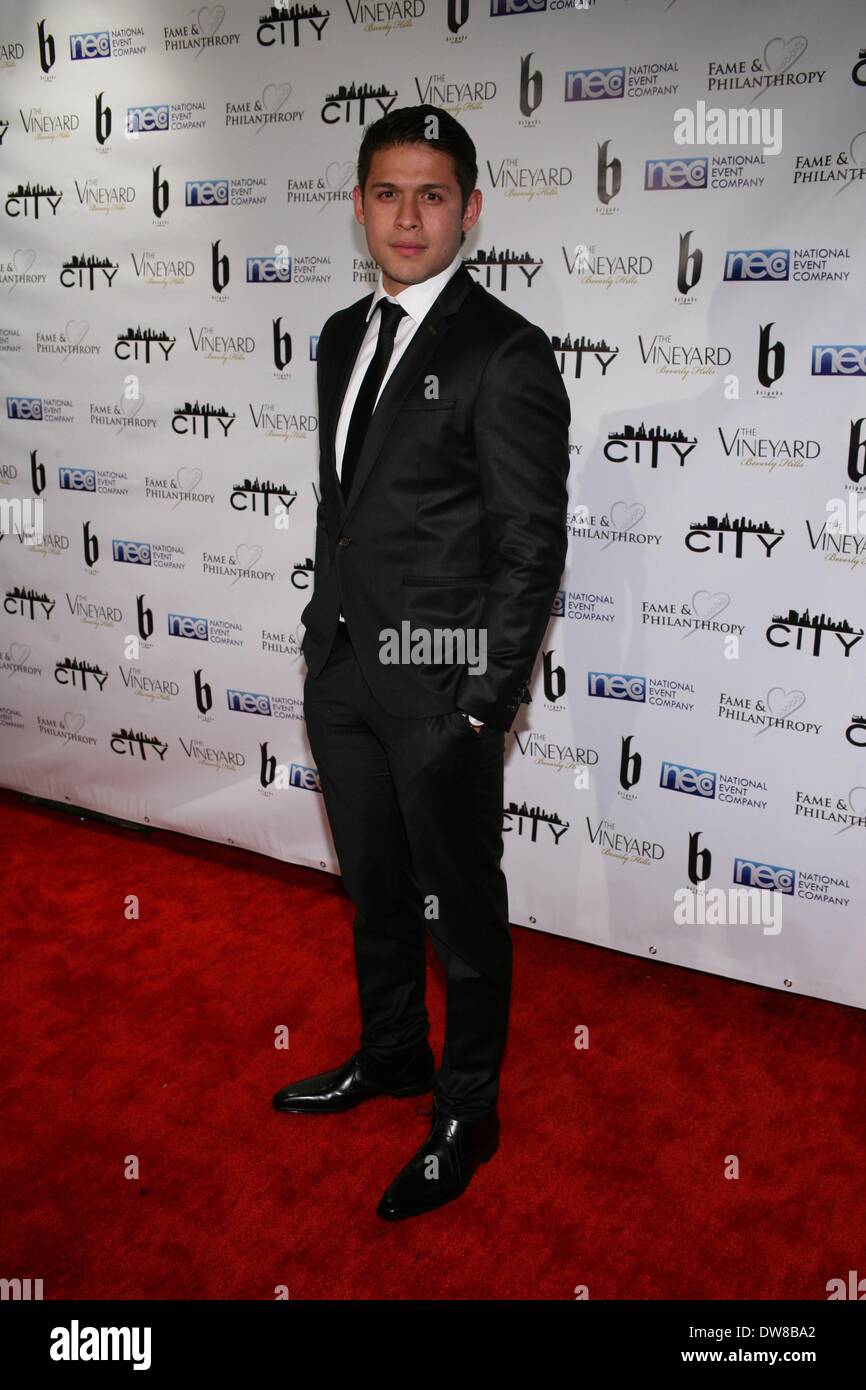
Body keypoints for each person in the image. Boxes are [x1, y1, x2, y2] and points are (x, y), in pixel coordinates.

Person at [273, 104, 570, 1221]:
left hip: (441, 687)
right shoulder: (343, 337)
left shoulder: (504, 350)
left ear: (470, 209)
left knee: (462, 907)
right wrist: (321, 644)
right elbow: (338, 508)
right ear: (357, 207)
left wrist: (481, 707)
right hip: (346, 675)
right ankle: (392, 1052)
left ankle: (466, 1109)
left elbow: (530, 544)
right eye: (387, 192)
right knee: (375, 893)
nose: (408, 215)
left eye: (432, 193)